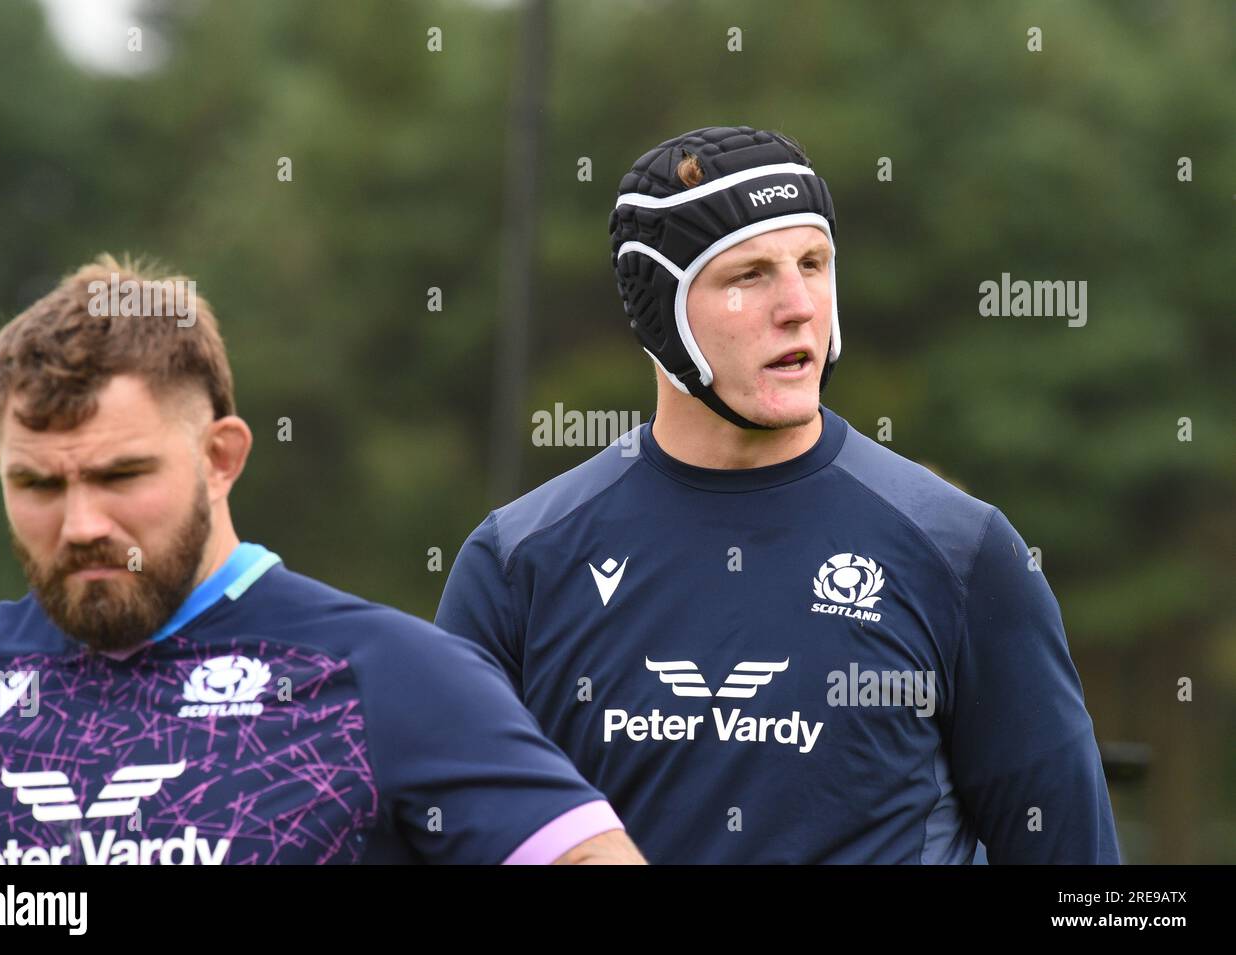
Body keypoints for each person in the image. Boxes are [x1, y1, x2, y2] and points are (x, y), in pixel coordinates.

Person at [436, 125, 1120, 863]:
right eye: (750, 275)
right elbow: (441, 837)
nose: (799, 304)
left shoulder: (962, 551)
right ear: (659, 308)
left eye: (814, 263)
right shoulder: (518, 563)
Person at [0, 255, 644, 866]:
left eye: (121, 476)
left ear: (220, 457)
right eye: (37, 484)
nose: (81, 524)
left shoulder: (382, 674)